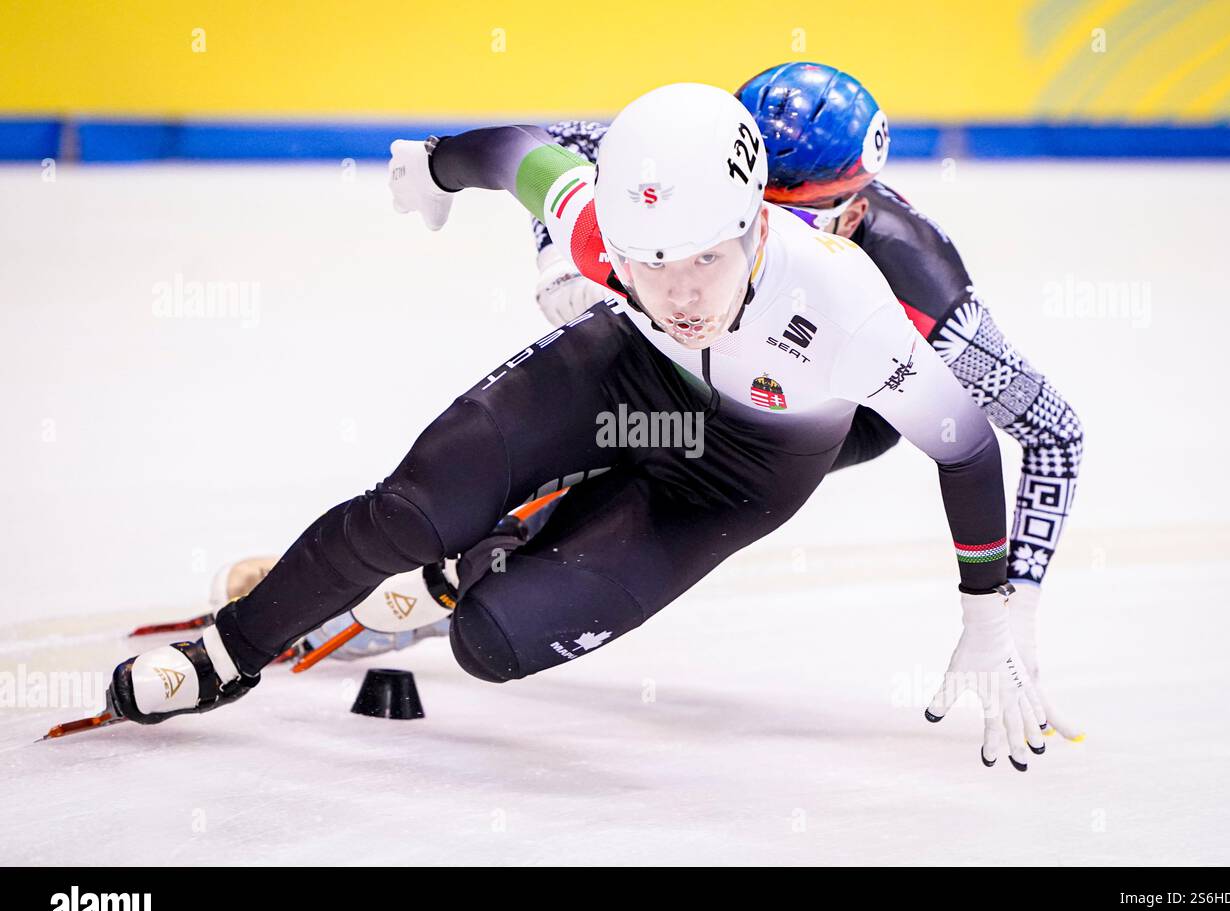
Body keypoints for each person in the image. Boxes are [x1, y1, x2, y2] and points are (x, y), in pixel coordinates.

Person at [110, 82, 1045, 770]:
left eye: (707, 261)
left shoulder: (845, 303)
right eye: (649, 263)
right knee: (409, 509)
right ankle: (226, 655)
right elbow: (514, 151)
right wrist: (431, 166)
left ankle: (482, 559)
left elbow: (965, 445)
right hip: (628, 380)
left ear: (758, 227)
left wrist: (985, 613)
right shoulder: (602, 226)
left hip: (744, 473)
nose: (679, 295)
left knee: (490, 641)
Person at [516, 63, 1085, 739]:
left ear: (856, 211)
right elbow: (548, 144)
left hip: (826, 406)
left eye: (798, 218)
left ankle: (516, 559)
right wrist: (557, 255)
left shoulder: (927, 299)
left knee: (670, 457)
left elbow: (1055, 435)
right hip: (698, 351)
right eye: (744, 216)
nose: (765, 240)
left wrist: (1010, 610)